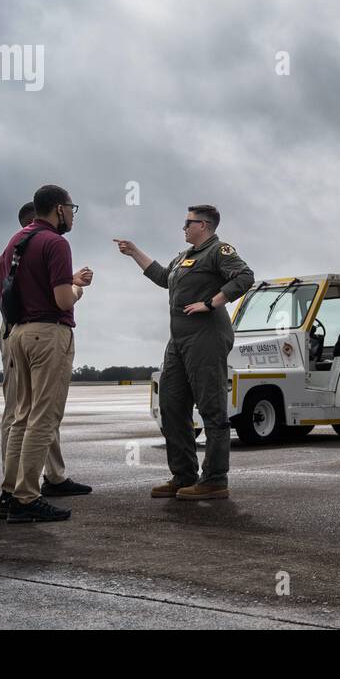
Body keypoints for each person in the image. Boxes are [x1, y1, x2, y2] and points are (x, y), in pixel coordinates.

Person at [114, 205, 254, 500]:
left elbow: (243, 277)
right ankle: (184, 475)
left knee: (211, 408)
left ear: (203, 225)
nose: (184, 228)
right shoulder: (185, 257)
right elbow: (164, 277)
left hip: (206, 337)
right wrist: (134, 252)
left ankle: (215, 479)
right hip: (179, 340)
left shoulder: (219, 251)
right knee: (172, 405)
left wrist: (211, 302)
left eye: (188, 223)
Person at [0, 185, 94, 522]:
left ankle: (9, 493)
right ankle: (27, 498)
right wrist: (78, 287)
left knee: (22, 416)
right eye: (71, 208)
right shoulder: (55, 243)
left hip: (17, 333)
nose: (72, 215)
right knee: (44, 418)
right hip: (49, 333)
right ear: (58, 209)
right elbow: (63, 300)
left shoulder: (15, 242)